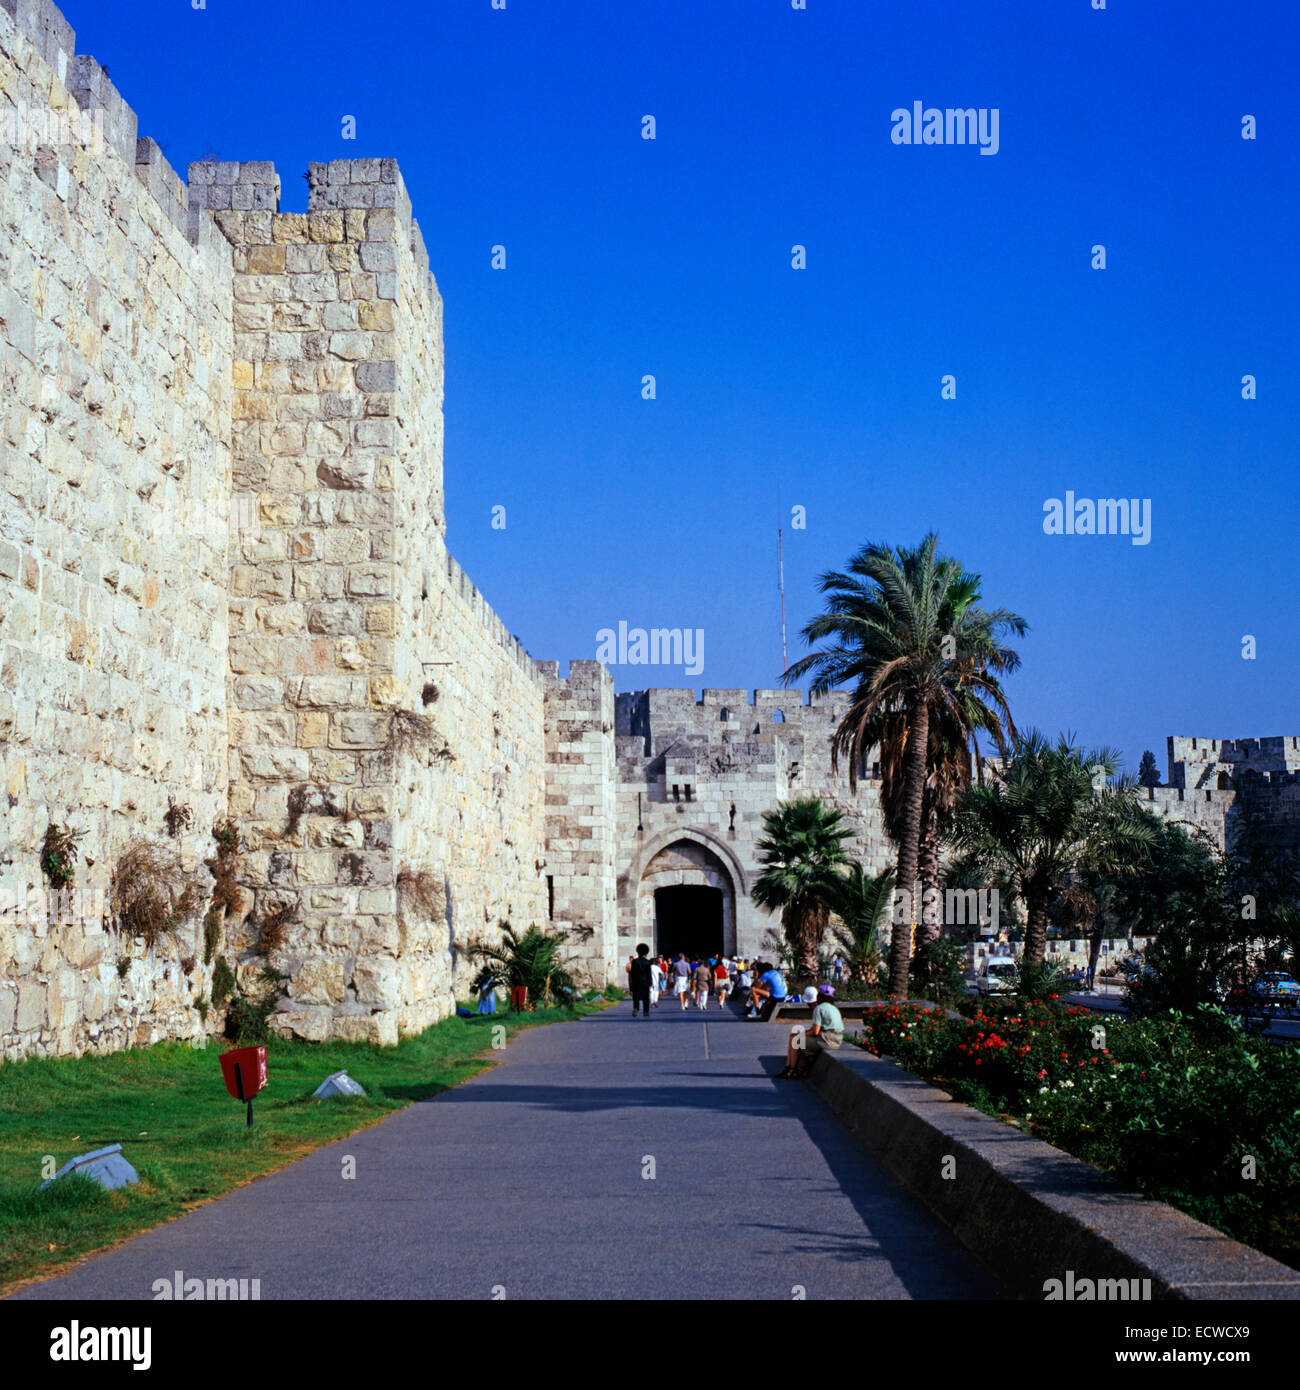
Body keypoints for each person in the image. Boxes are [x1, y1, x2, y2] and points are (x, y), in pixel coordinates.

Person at [780, 986, 844, 1077]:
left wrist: (801, 1035)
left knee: (796, 1040)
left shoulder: (819, 1008)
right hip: (837, 1039)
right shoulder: (834, 1008)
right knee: (800, 1039)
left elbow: (815, 1032)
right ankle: (795, 1069)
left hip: (827, 1040)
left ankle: (791, 1070)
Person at [629, 943, 654, 1018]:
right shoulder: (647, 962)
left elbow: (632, 973)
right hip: (645, 982)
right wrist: (650, 983)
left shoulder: (634, 962)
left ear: (638, 951)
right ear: (646, 952)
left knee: (636, 997)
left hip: (636, 981)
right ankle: (646, 1011)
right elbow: (649, 974)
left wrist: (631, 985)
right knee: (646, 997)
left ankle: (636, 1008)